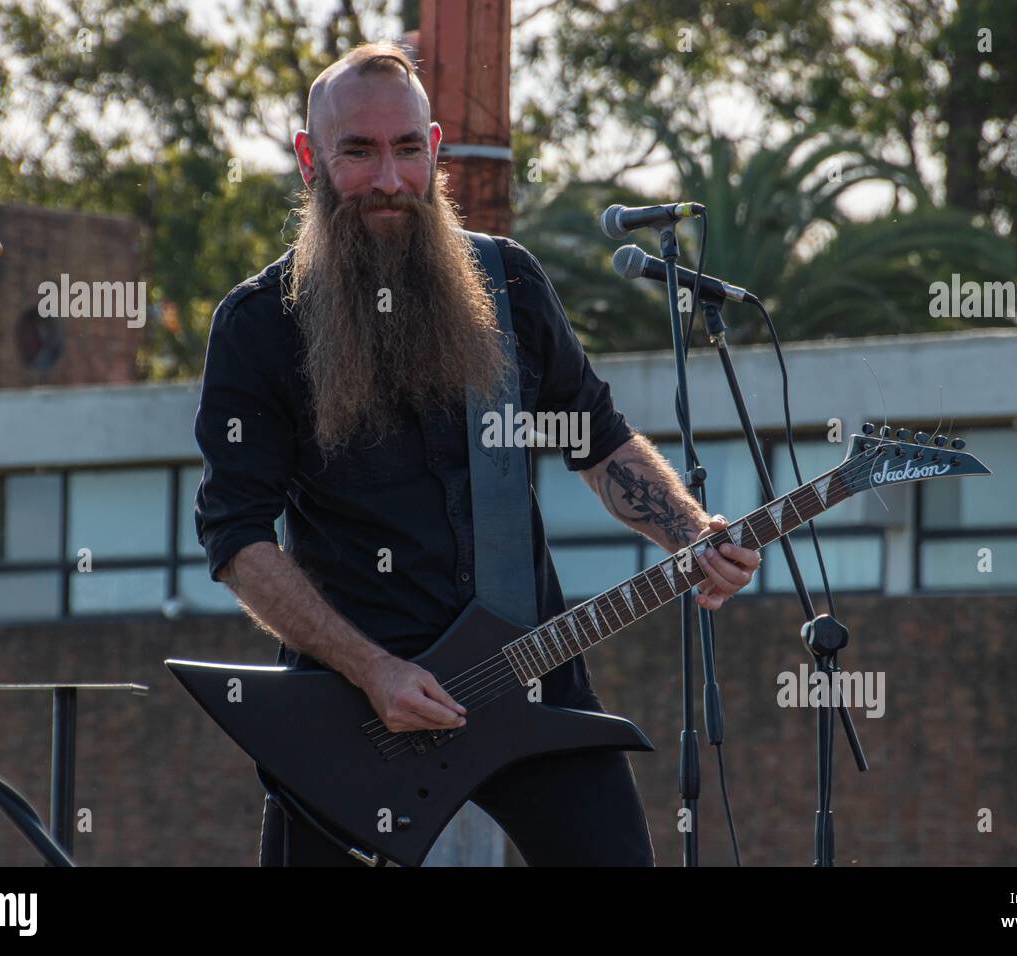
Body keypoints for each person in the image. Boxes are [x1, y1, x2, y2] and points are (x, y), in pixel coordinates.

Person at [193, 41, 761, 867]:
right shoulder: (256, 327)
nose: (388, 179)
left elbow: (597, 441)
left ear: (436, 152)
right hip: (350, 713)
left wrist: (690, 536)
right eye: (358, 152)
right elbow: (237, 539)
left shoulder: (511, 285)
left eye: (407, 149)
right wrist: (373, 670)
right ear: (310, 158)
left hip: (533, 679)